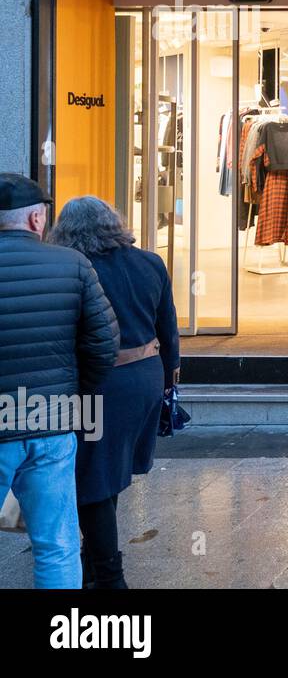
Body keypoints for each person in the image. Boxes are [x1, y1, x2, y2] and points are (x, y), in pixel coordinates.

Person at [48, 196, 180, 589]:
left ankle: (108, 575)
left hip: (97, 384)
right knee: (108, 472)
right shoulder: (149, 262)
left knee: (91, 477)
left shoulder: (72, 268)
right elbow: (167, 326)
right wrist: (170, 378)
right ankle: (95, 561)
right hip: (145, 378)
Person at [0, 174, 118, 588]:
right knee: (57, 544)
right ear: (36, 219)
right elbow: (104, 345)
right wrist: (73, 397)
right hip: (51, 421)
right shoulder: (72, 265)